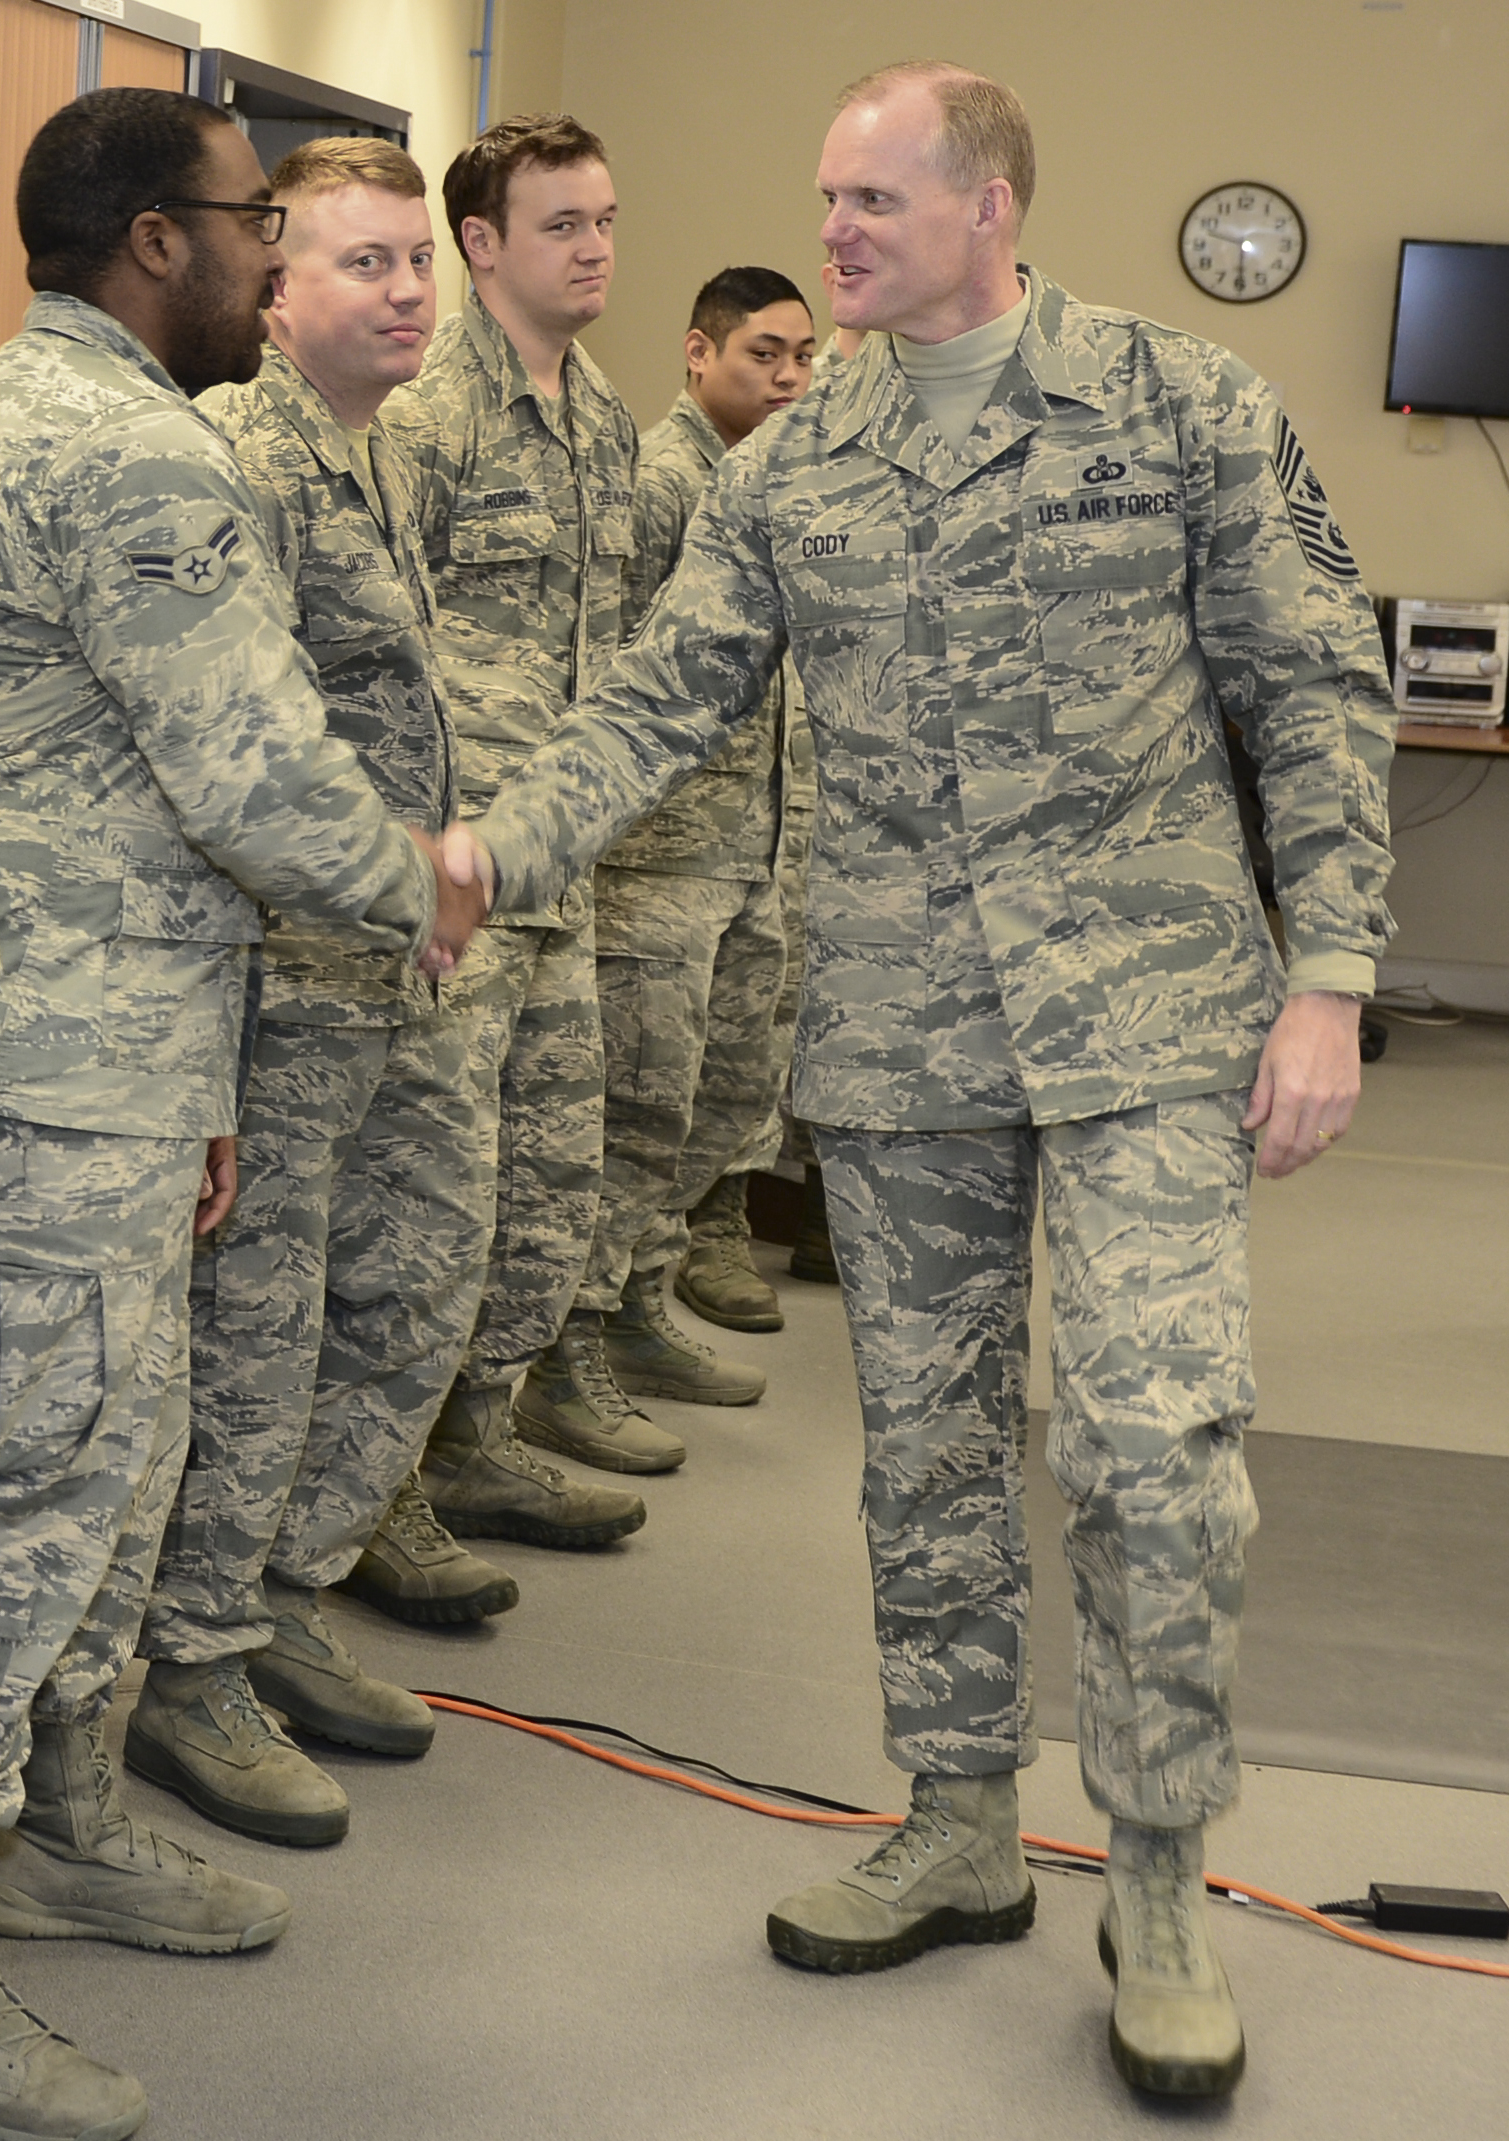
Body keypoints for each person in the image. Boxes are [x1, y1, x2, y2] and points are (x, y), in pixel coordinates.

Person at [444, 61, 1393, 2102]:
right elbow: (661, 699)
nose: (834, 231)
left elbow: (1311, 684)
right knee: (930, 1456)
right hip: (900, 1036)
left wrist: (1327, 975)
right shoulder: (798, 465)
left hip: (1151, 1017)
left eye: (869, 199)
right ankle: (960, 1822)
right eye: (824, 197)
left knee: (1155, 1450)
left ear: (988, 207)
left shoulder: (1175, 403)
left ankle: (1155, 1876)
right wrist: (488, 852)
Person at [0, 87, 477, 2141]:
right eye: (251, 226)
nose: (276, 263)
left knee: (109, 1462)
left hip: (96, 1032)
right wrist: (444, 880)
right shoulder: (131, 452)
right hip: (36, 1053)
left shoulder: (20, 404)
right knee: (14, 1504)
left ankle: (72, 1822)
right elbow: (255, 774)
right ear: (147, 240)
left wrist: (192, 1074)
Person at [129, 137, 492, 1851]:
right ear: (271, 289)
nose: (406, 290)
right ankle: (191, 1660)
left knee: (416, 1273)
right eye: (363, 263)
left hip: (385, 974)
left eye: (416, 260)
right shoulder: (239, 459)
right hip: (279, 982)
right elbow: (232, 756)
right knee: (257, 1334)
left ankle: (280, 1589)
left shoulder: (379, 455)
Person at [364, 112, 657, 1585]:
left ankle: (476, 1431)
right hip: (455, 883)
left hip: (564, 869)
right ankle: (371, 1499)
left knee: (546, 1181)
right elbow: (365, 647)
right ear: (481, 244)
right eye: (562, 224)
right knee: (431, 1198)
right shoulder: (427, 410)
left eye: (604, 220)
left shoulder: (602, 411)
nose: (595, 247)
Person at [582, 267, 816, 1357]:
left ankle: (641, 1304)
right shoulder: (660, 478)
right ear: (697, 352)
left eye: (802, 356)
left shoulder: (775, 481)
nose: (787, 376)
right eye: (762, 353)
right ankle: (585, 1336)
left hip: (751, 853)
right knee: (639, 1114)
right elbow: (618, 675)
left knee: (723, 1103)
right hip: (661, 860)